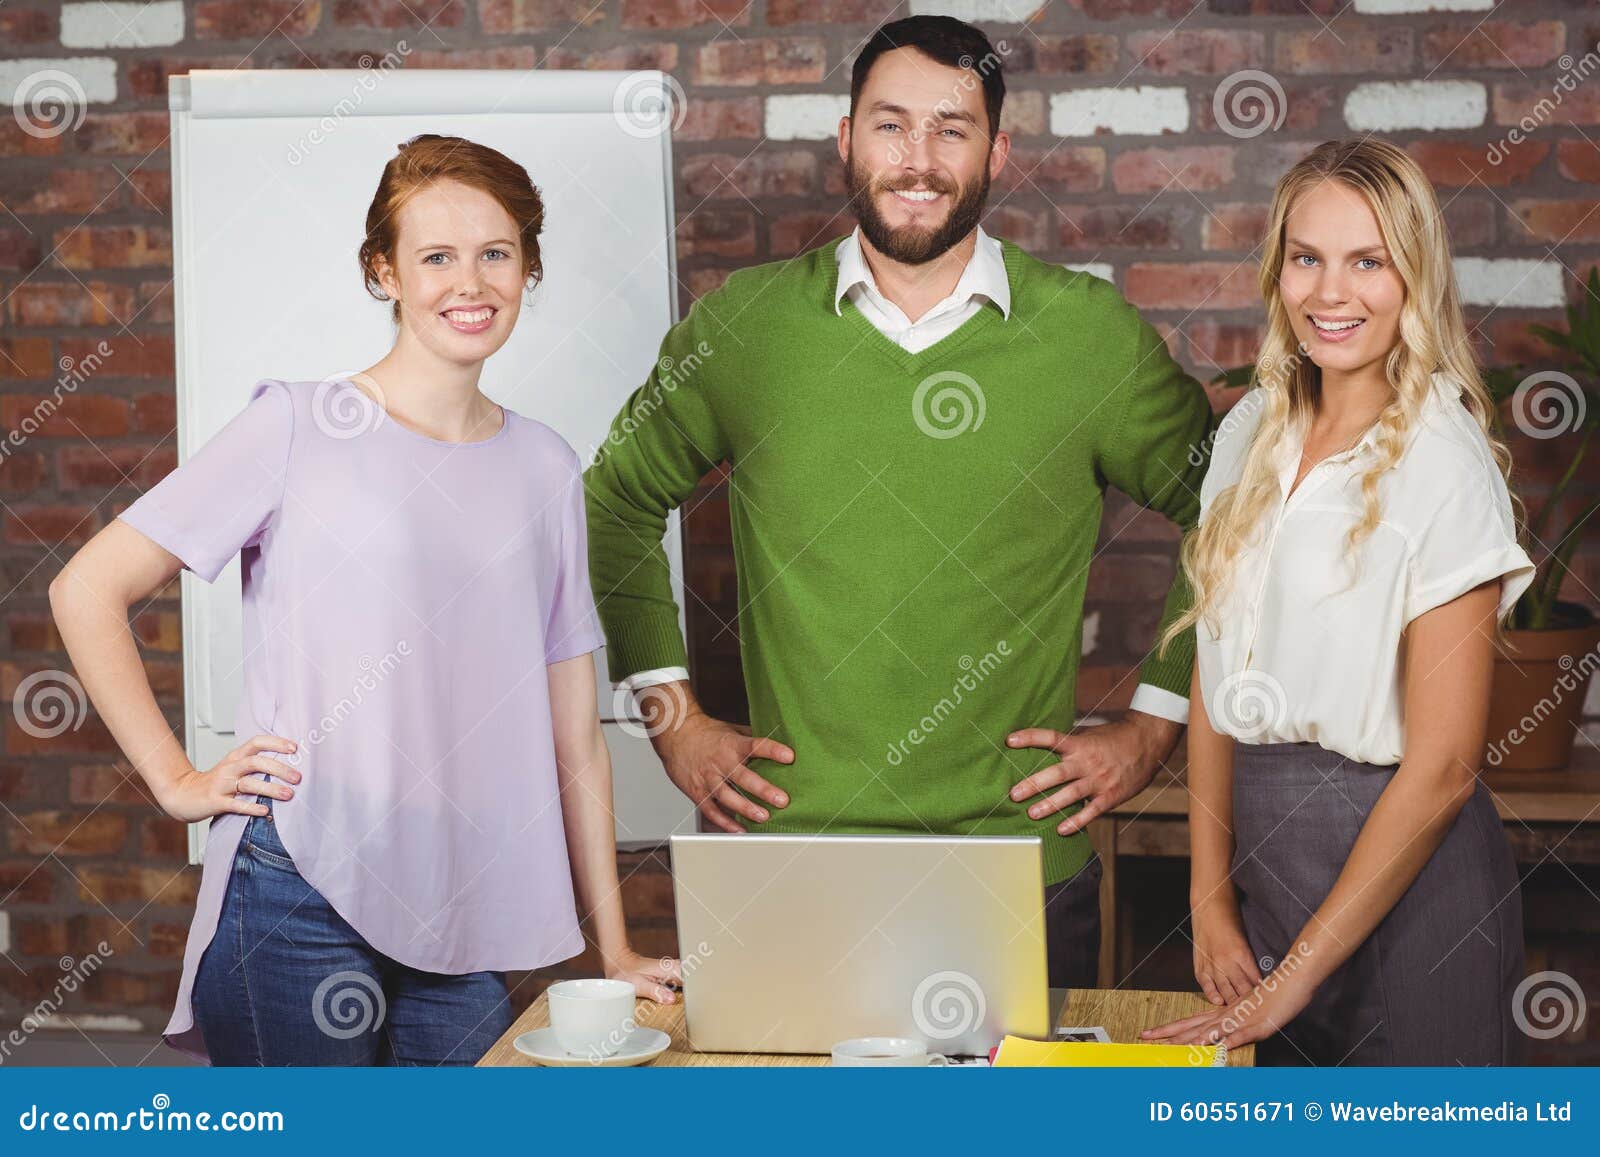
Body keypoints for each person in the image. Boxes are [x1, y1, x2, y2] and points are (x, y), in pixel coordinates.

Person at [584, 15, 1216, 988]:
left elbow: (1237, 512)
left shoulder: (1089, 338)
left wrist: (1155, 718)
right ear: (845, 140)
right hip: (790, 862)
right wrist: (670, 711)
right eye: (889, 126)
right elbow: (615, 498)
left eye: (950, 129)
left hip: (1019, 866)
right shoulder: (744, 329)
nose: (917, 159)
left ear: (998, 152)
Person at [49, 134, 678, 1066]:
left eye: (496, 253)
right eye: (435, 256)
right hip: (297, 887)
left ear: (528, 267)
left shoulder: (545, 466)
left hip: (467, 905)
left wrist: (612, 946)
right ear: (384, 272)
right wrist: (177, 782)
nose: (470, 282)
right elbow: (87, 587)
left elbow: (575, 732)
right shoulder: (297, 425)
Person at [1141, 139, 1531, 1065]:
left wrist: (1297, 974)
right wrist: (1210, 897)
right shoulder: (1247, 431)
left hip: (1417, 888)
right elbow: (1213, 673)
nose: (1330, 292)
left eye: (1368, 261)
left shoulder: (1444, 457)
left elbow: (1441, 767)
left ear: (1414, 275)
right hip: (1264, 866)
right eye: (1307, 257)